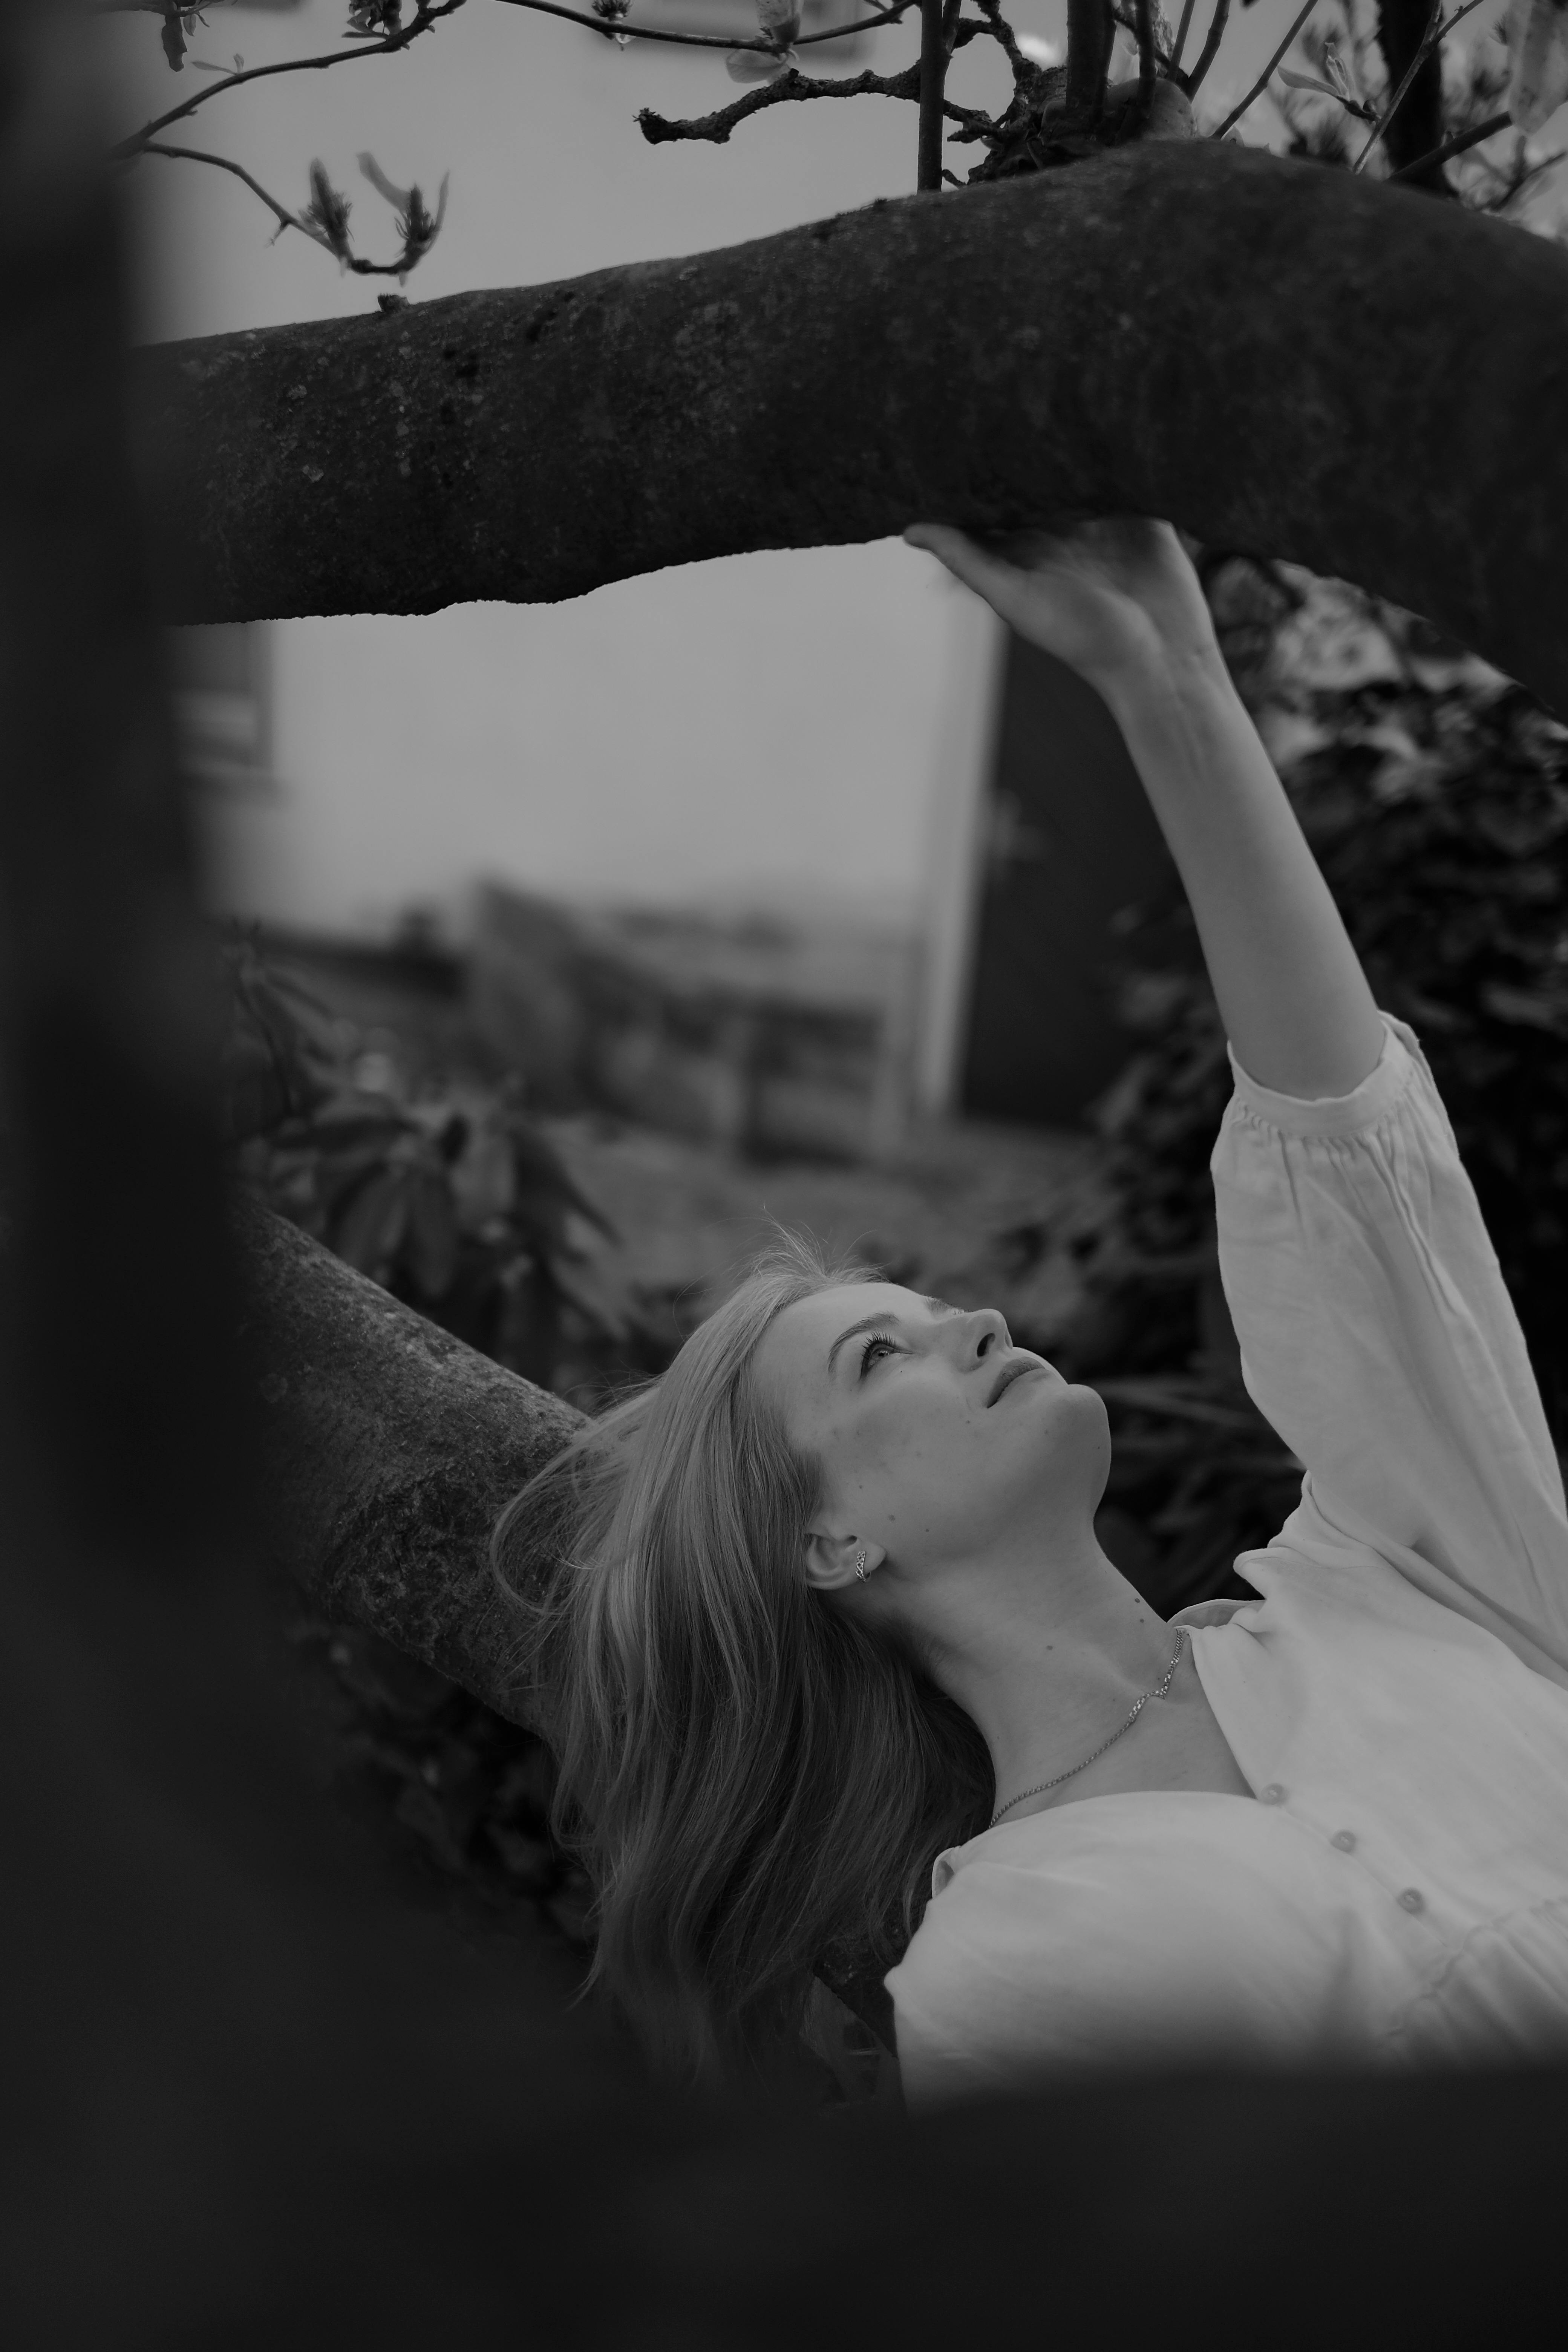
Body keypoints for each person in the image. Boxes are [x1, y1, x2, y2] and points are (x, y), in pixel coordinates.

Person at [495, 519, 1568, 2102]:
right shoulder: (1006, 1973)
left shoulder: (1400, 1578)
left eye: (928, 1304)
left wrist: (1168, 680)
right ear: (827, 1543)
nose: (973, 1323)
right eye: (883, 1355)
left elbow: (1354, 1164)